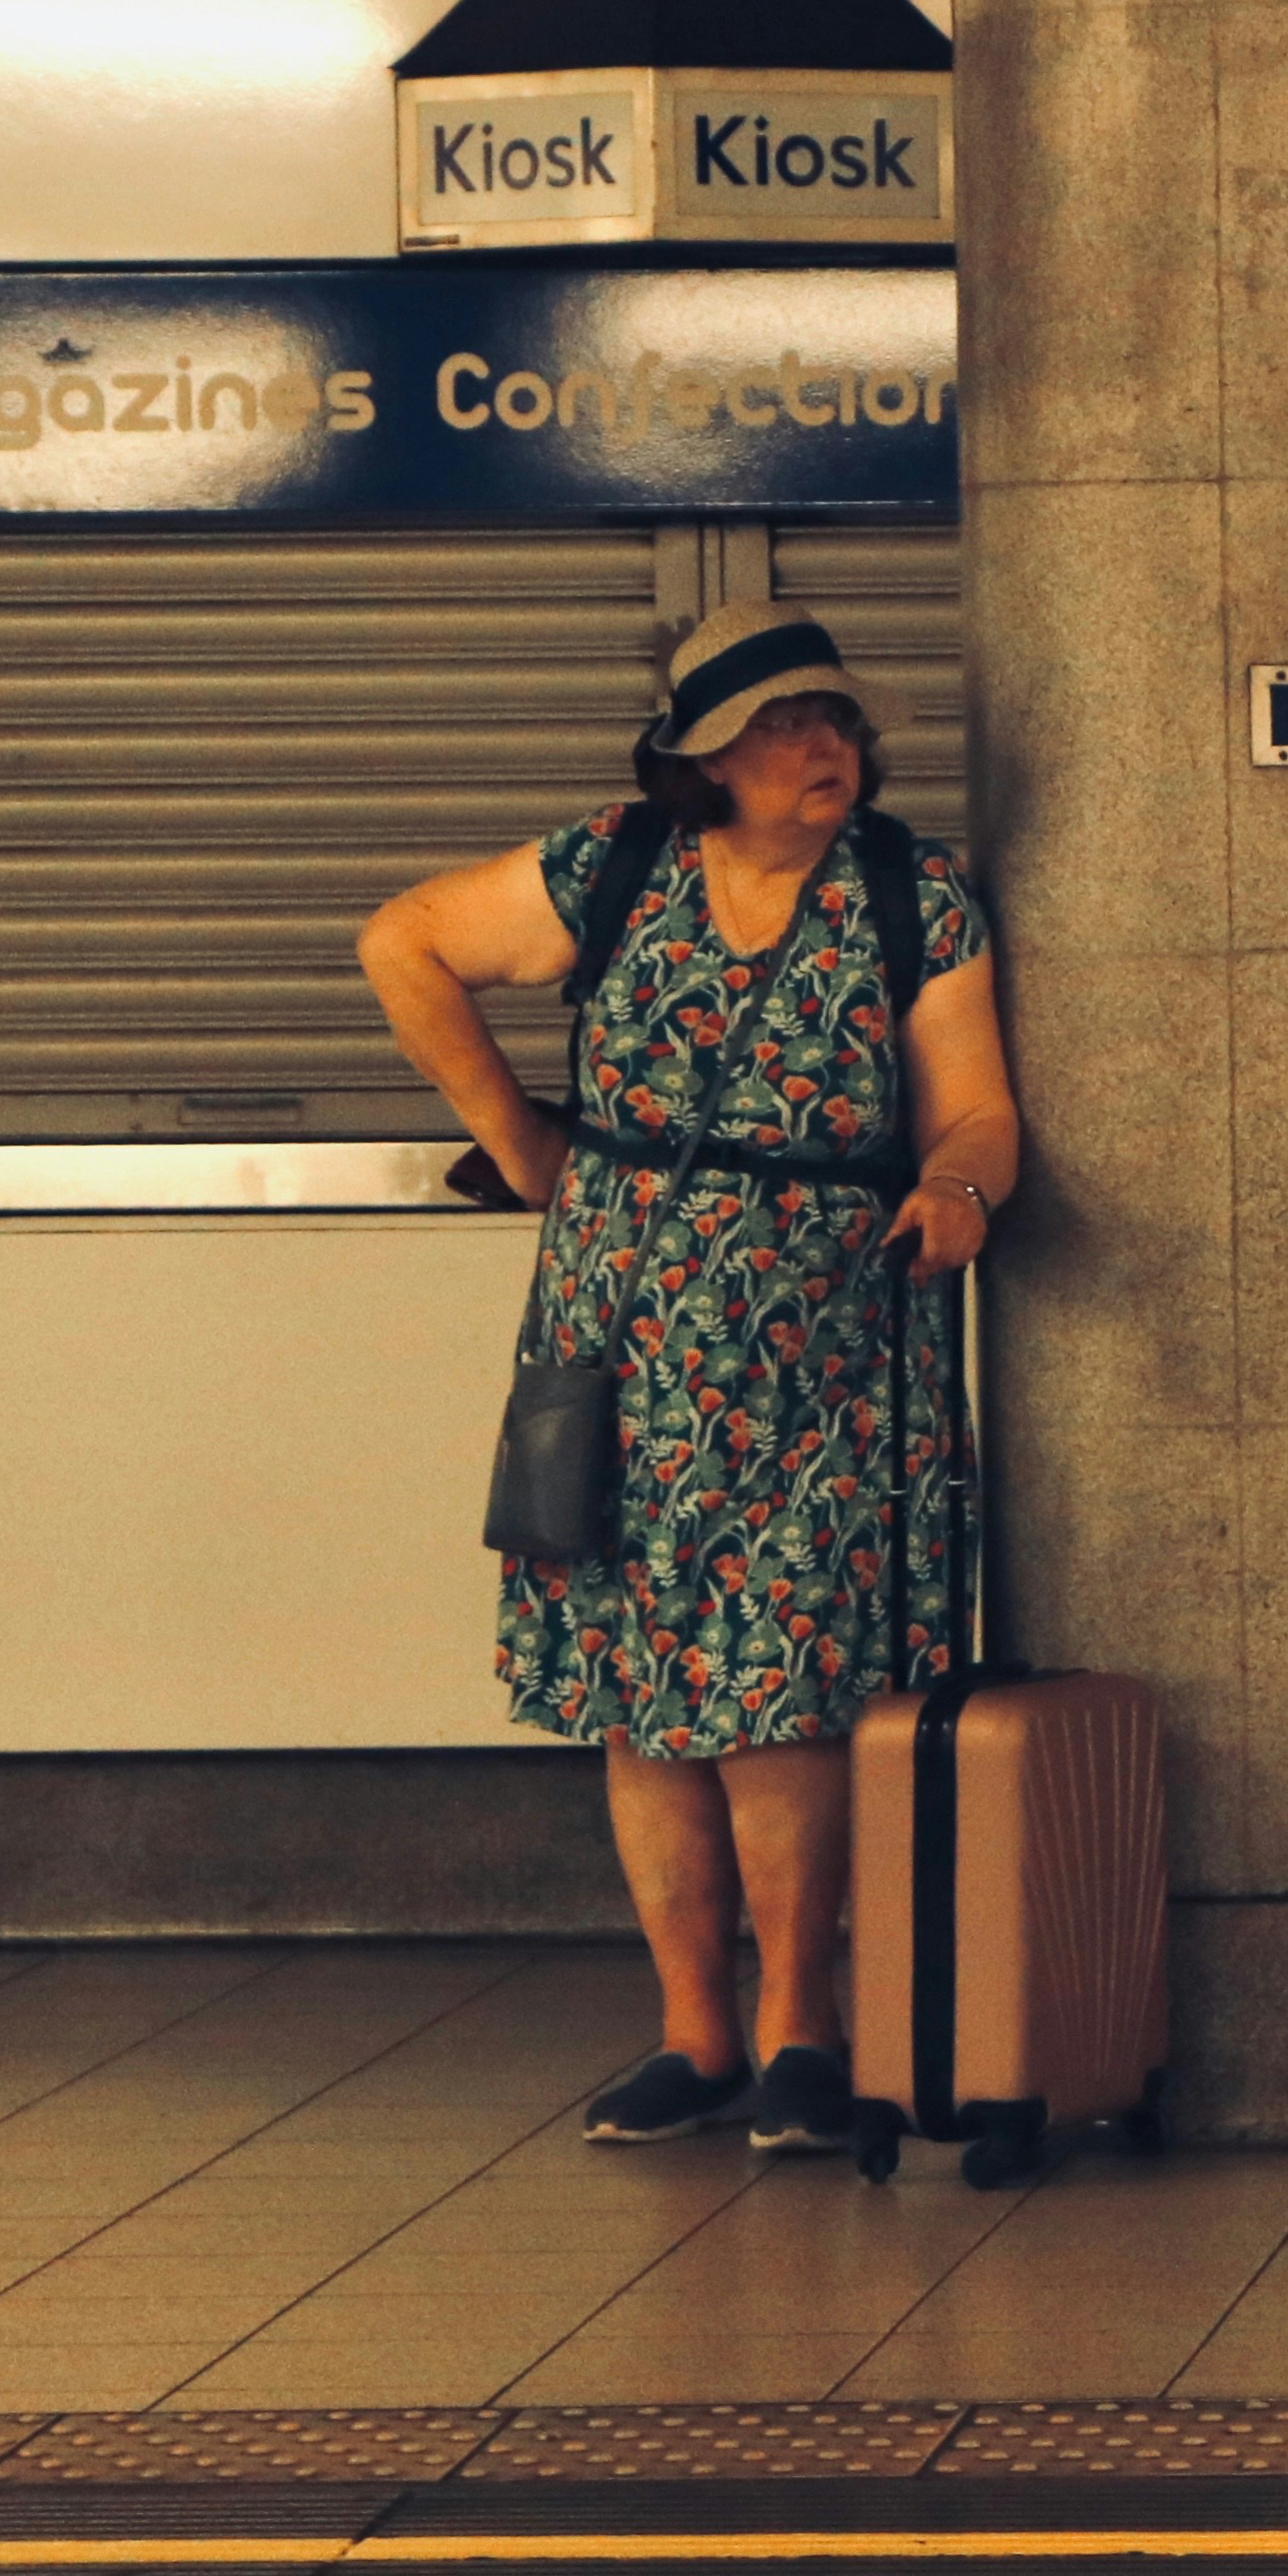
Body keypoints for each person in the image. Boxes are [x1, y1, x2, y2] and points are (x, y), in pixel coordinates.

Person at [356, 604, 1020, 2153]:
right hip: (615, 1344)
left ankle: (803, 2026)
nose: (824, 751)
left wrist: (963, 1194)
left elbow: (977, 1109)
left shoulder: (912, 898)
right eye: (787, 729)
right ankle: (691, 2032)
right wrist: (525, 1143)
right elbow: (403, 939)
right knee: (639, 1692)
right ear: (703, 759)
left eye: (838, 725)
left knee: (778, 1680)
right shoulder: (619, 866)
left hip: (824, 1350)